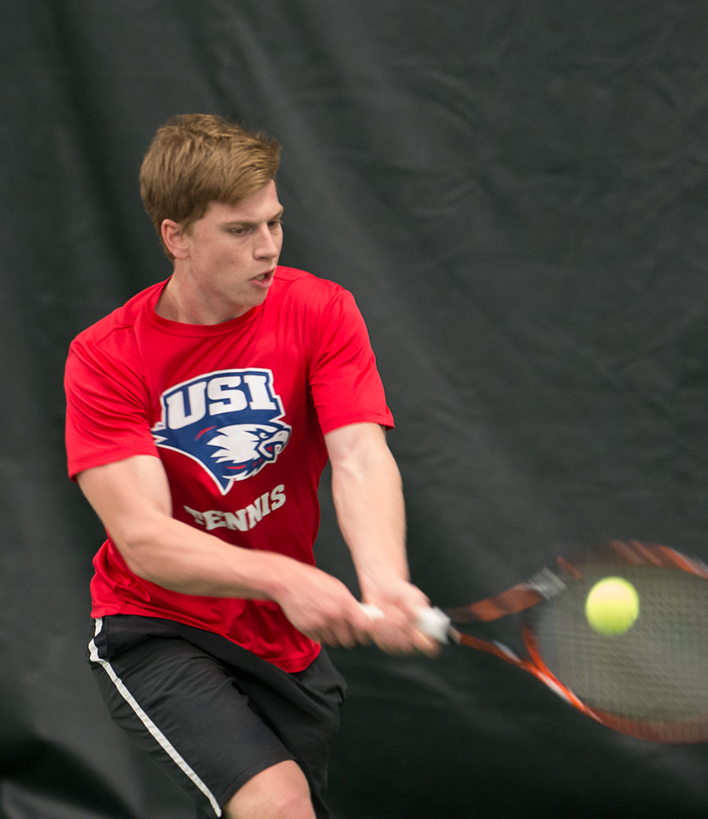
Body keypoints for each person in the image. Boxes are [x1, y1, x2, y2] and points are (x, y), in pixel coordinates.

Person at [64, 114, 436, 819]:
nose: (267, 248)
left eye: (274, 223)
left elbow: (359, 453)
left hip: (282, 643)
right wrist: (282, 575)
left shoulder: (322, 311)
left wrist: (385, 576)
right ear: (176, 236)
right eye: (241, 230)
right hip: (157, 626)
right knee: (278, 805)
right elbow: (142, 538)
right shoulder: (105, 356)